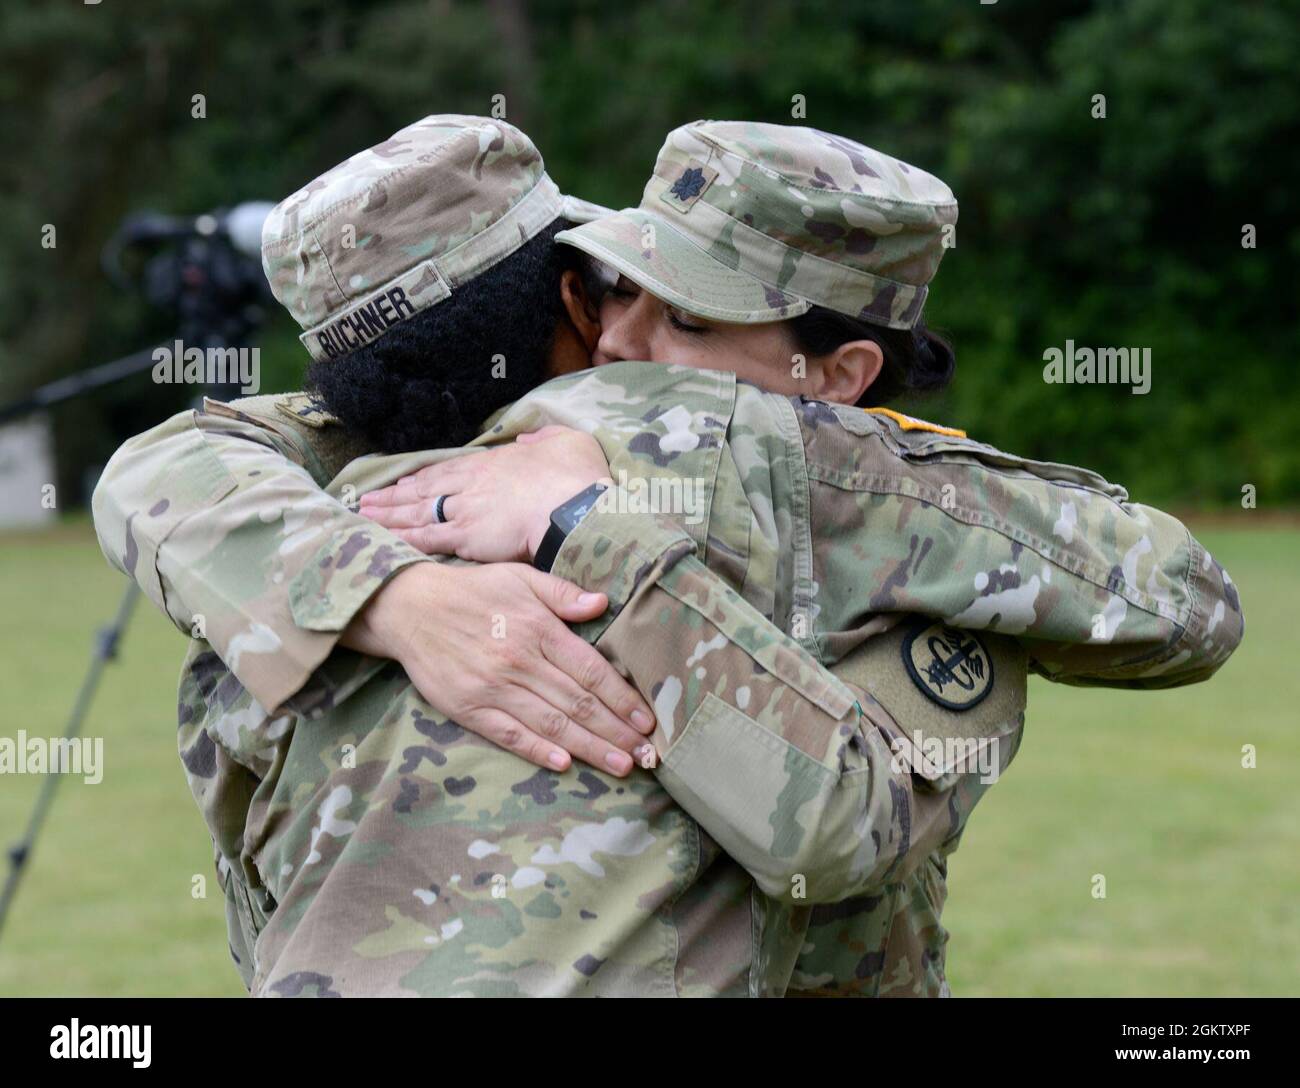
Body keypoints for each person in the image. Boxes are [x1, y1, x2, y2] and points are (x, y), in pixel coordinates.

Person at [93, 117, 1242, 996]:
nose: (628, 345)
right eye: (618, 293)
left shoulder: (303, 509)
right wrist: (444, 582)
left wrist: (544, 529)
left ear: (834, 378)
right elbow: (1173, 600)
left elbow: (167, 469)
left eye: (686, 320)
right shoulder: (401, 486)